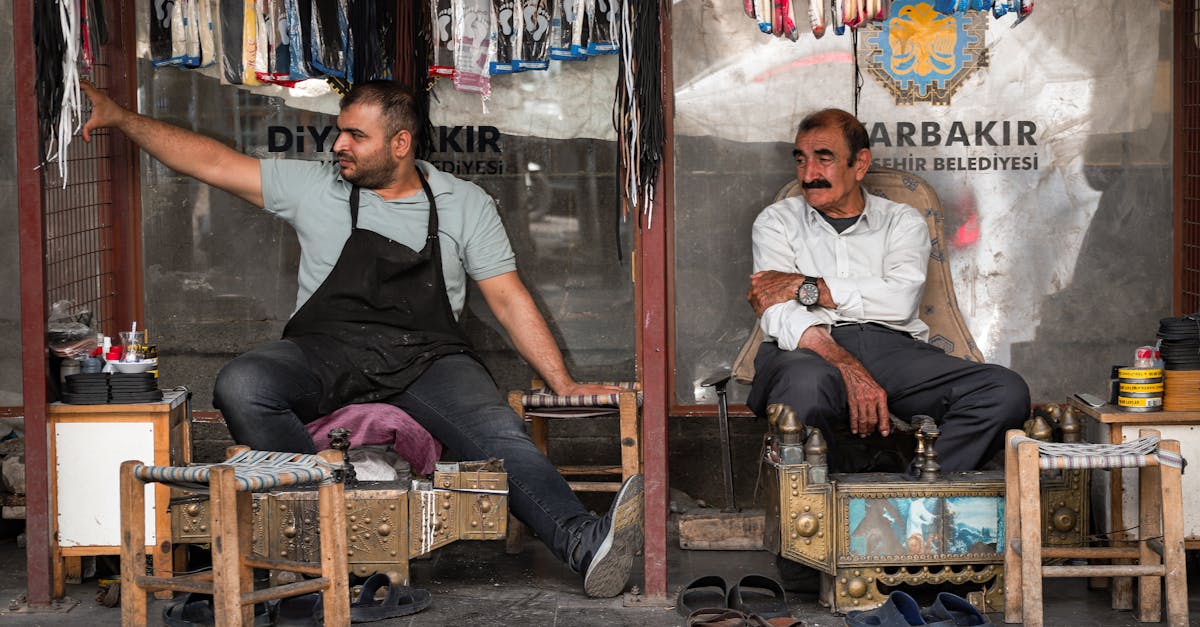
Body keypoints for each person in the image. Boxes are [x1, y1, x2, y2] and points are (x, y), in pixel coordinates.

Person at [79, 80, 643, 598]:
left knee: (501, 435)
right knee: (243, 382)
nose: (339, 144)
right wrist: (123, 117)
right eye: (339, 130)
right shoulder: (312, 186)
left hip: (428, 357)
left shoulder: (463, 202)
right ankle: (327, 523)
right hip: (327, 351)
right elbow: (211, 161)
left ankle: (584, 541)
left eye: (355, 134)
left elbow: (507, 296)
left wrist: (560, 379)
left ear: (400, 143)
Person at [745, 108, 1029, 474]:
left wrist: (807, 285)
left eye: (824, 159)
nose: (808, 175)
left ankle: (914, 499)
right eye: (801, 160)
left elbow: (899, 300)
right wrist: (844, 362)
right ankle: (817, 513)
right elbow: (777, 310)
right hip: (806, 350)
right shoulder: (776, 221)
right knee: (805, 385)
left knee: (1004, 391)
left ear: (860, 163)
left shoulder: (901, 220)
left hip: (893, 351)